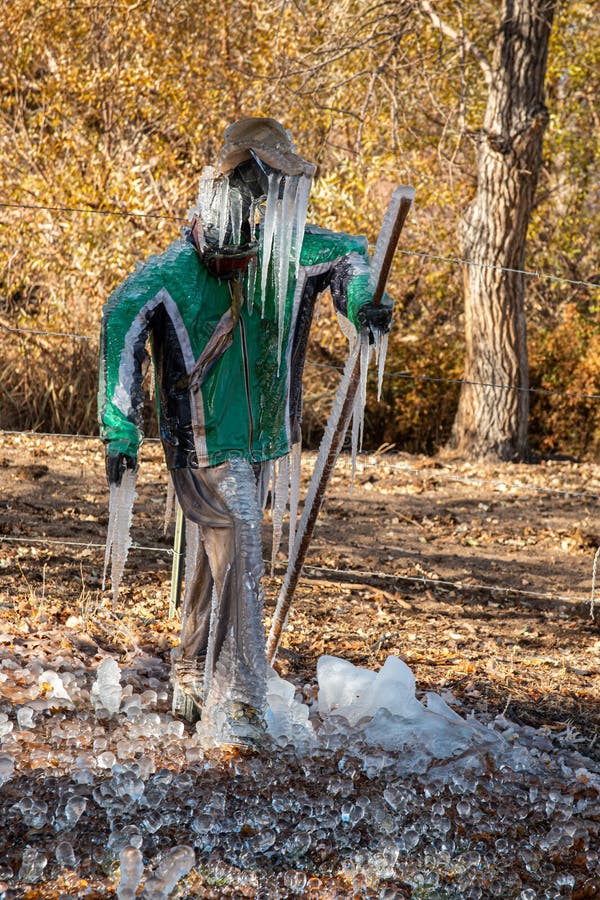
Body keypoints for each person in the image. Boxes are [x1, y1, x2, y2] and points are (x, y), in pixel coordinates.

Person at [98, 117, 392, 746]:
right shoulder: (171, 278)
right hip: (201, 446)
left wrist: (364, 298)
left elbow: (347, 255)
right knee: (238, 544)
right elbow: (120, 318)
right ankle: (243, 703)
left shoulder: (278, 256)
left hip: (259, 442)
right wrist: (121, 433)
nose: (239, 252)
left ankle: (192, 675)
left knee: (219, 559)